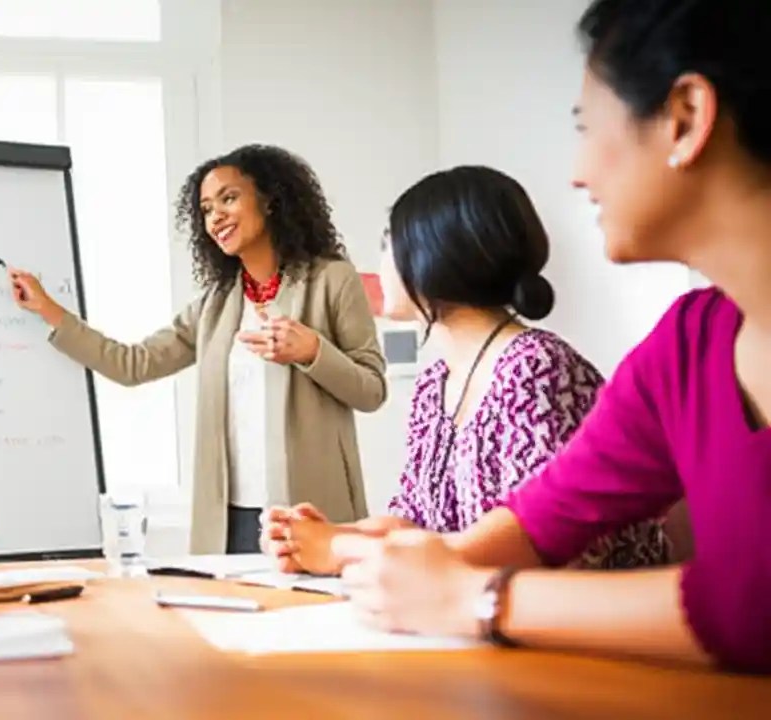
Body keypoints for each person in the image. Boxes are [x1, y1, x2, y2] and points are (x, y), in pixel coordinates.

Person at [288, 0, 771, 673]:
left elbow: (750, 601)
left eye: (586, 127)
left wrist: (478, 599)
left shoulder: (537, 365)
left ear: (686, 119)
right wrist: (384, 563)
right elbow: (543, 517)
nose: (576, 173)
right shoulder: (686, 346)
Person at [262, 166, 669, 575]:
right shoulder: (433, 384)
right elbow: (413, 519)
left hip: (574, 621)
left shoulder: (536, 370)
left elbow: (548, 547)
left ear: (436, 253)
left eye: (389, 242)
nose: (380, 262)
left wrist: (344, 548)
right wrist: (318, 536)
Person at [9, 145, 387, 553]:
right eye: (206, 209)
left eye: (228, 198)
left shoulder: (333, 280)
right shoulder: (217, 304)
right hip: (231, 520)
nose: (216, 217)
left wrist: (312, 351)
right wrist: (49, 310)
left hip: (311, 515)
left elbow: (371, 390)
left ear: (272, 200)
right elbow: (134, 364)